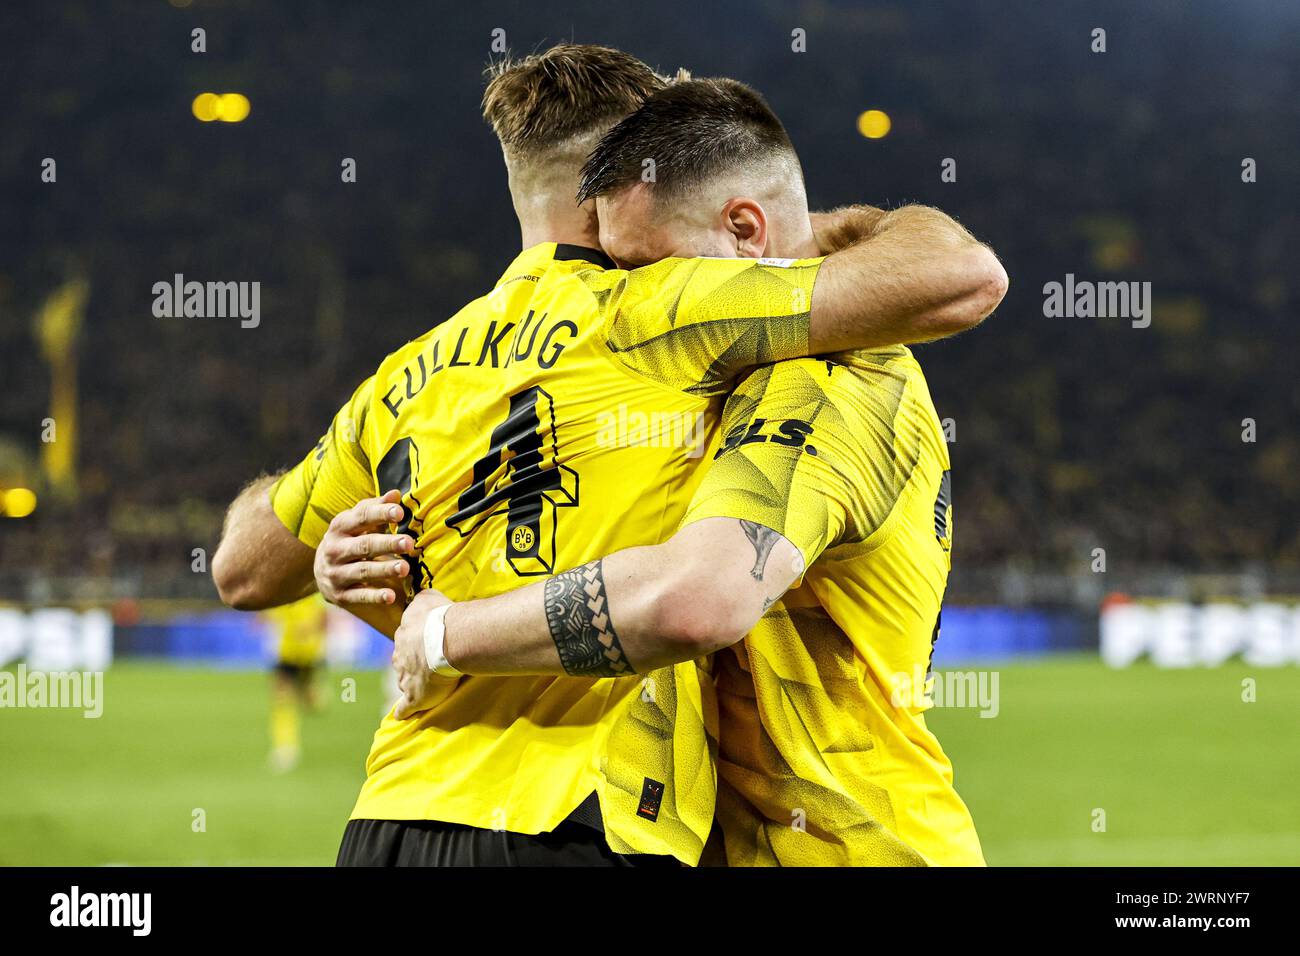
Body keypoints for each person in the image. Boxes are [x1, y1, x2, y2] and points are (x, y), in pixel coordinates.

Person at [212, 46, 1004, 866]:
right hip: (590, 817)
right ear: (617, 185)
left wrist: (356, 566)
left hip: (392, 816)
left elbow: (242, 567)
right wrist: (845, 230)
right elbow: (956, 275)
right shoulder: (668, 313)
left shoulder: (409, 376)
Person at [262, 593, 328, 772]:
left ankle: (313, 695)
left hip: (309, 652)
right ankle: (286, 748)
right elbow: (269, 617)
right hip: (287, 652)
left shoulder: (313, 592)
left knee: (309, 701)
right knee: (282, 698)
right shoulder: (284, 591)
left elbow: (323, 618)